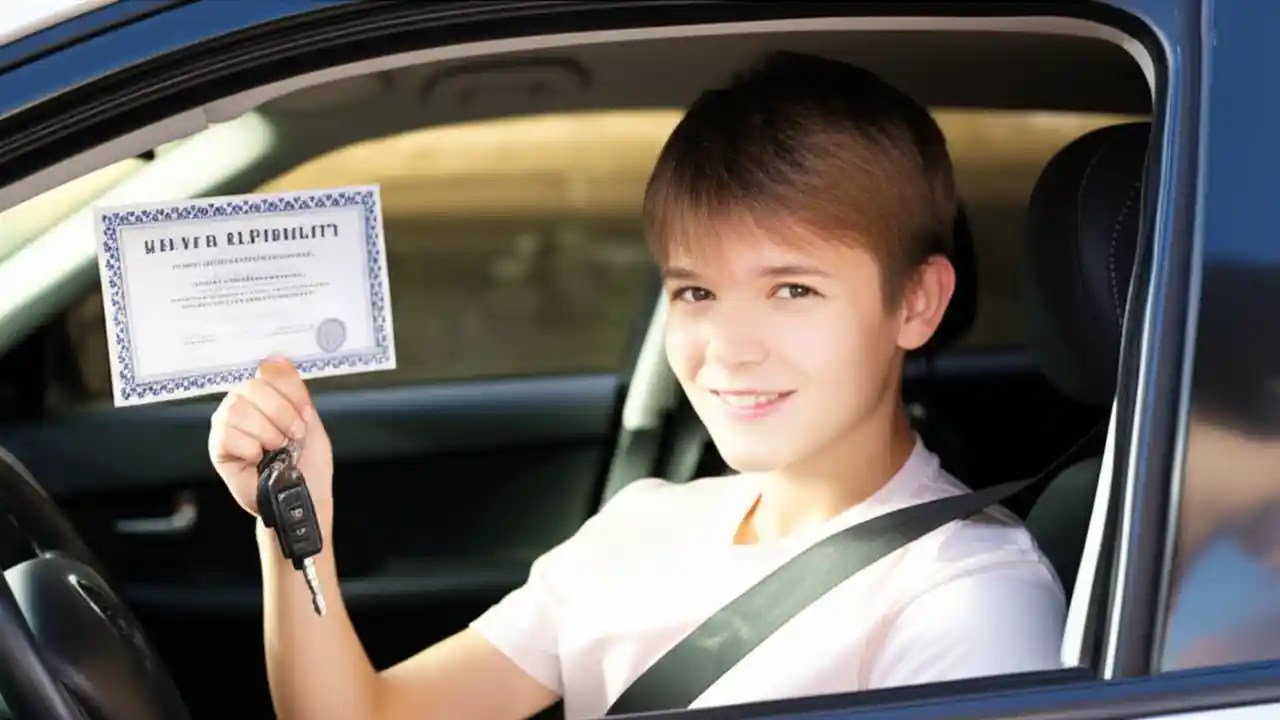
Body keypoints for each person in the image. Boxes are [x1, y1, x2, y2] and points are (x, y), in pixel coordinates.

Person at [207, 51, 1065, 720]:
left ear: (916, 302)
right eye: (696, 292)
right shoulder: (643, 527)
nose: (729, 349)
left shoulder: (966, 599)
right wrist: (296, 522)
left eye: (792, 290)